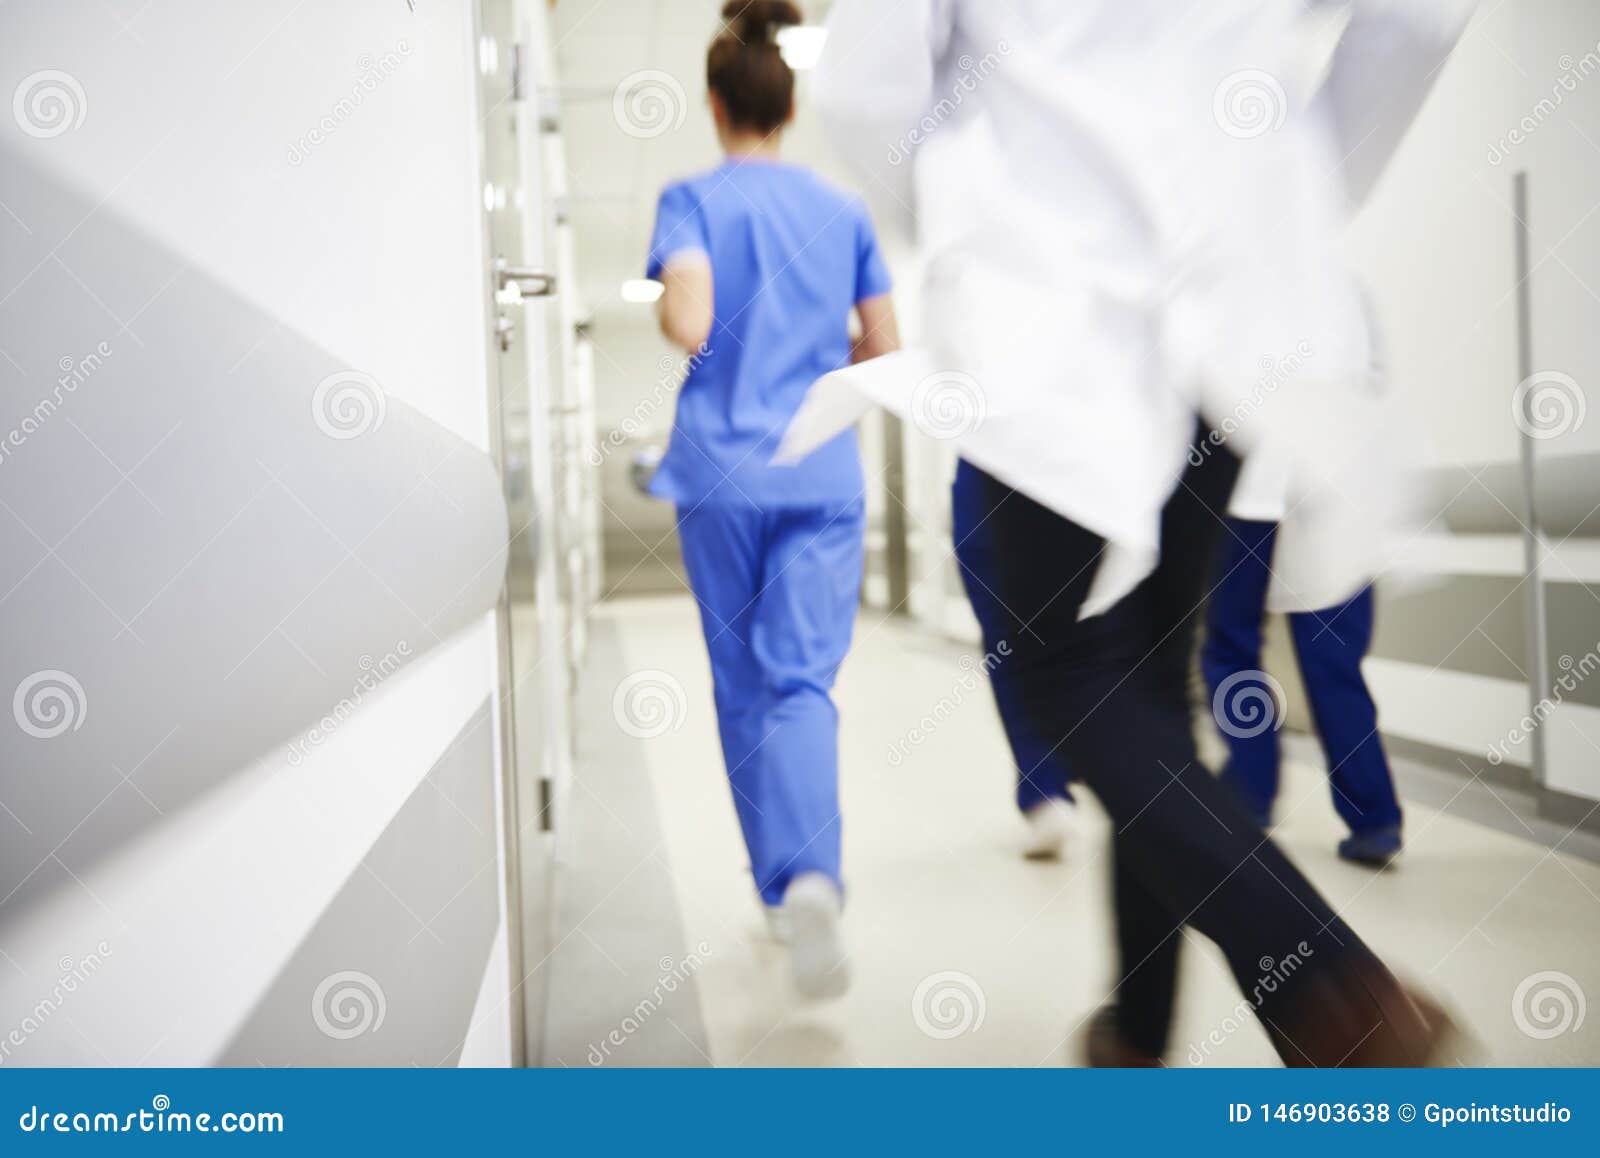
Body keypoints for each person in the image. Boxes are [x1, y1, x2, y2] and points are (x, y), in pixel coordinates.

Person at [800, 0, 1472, 1063]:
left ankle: (1335, 987)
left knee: (1069, 679)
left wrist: (969, 221)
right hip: (1232, 314)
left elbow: (860, 86)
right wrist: (1287, 194)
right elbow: (1421, 20)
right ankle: (1139, 1024)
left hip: (1051, 313)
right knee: (1149, 693)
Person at [645, 0, 899, 1000]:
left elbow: (692, 320)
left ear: (716, 104)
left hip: (721, 473)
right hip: (821, 472)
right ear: (788, 106)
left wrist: (691, 313)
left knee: (738, 684)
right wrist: (809, 351)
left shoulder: (690, 200)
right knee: (802, 683)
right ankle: (812, 882)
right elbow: (882, 347)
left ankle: (772, 885)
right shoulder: (843, 212)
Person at [1203, 453, 1405, 866]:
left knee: (1231, 644)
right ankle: (1375, 819)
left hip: (1250, 492)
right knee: (1334, 659)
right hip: (1336, 490)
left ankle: (1250, 790)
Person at [952, 461, 1079, 859]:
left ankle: (1048, 789)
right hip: (1029, 450)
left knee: (1007, 629)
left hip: (1011, 451)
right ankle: (1053, 781)